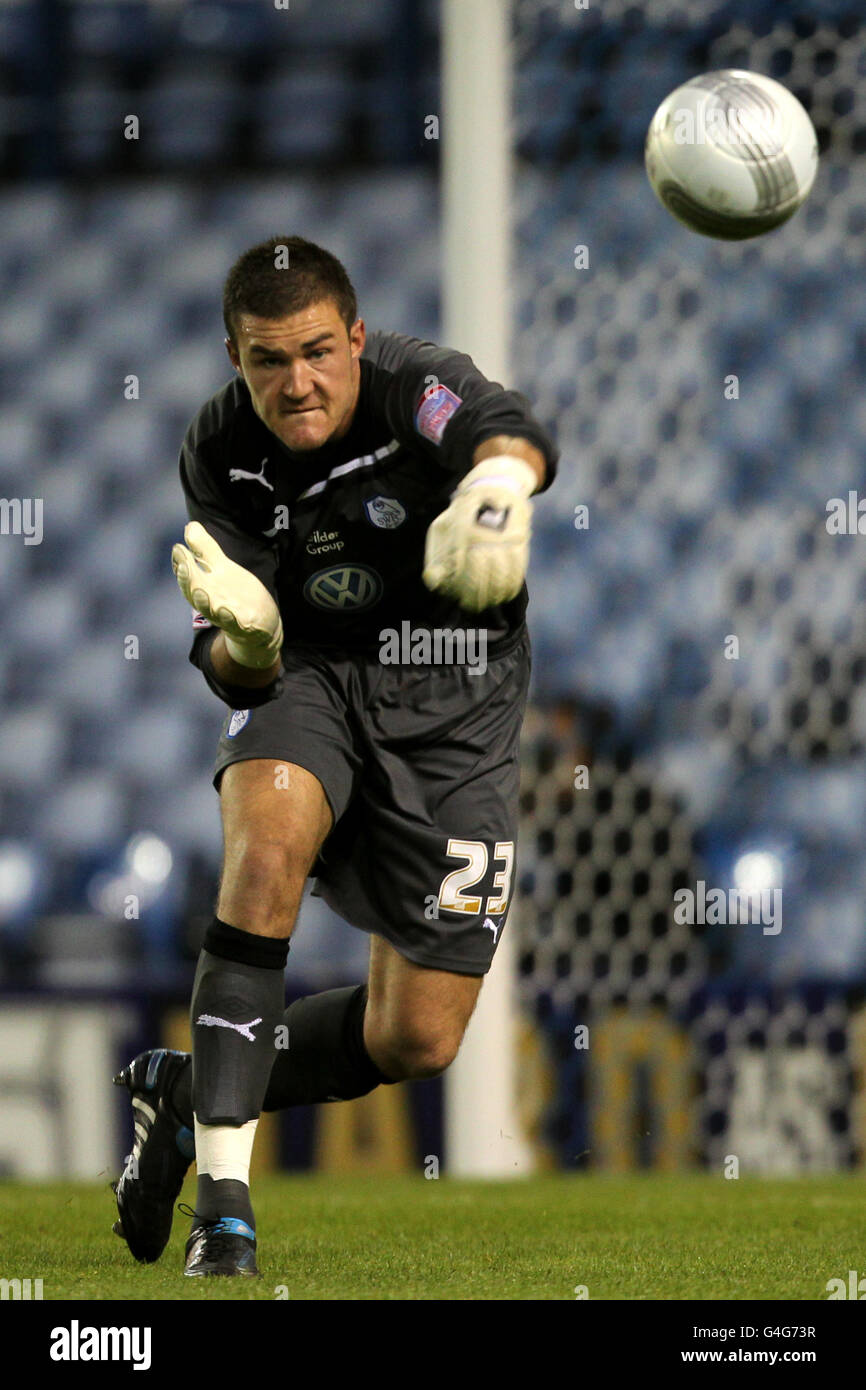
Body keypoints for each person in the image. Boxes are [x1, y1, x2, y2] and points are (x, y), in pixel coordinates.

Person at [112, 235, 559, 1277]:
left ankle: (186, 1092)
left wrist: (495, 488)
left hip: (458, 699)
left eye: (317, 350)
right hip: (311, 676)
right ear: (235, 357)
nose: (297, 381)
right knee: (263, 855)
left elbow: (507, 430)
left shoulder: (417, 388)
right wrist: (251, 646)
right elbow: (232, 662)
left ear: (355, 337)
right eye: (268, 359)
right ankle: (224, 1205)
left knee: (417, 1038)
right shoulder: (220, 451)